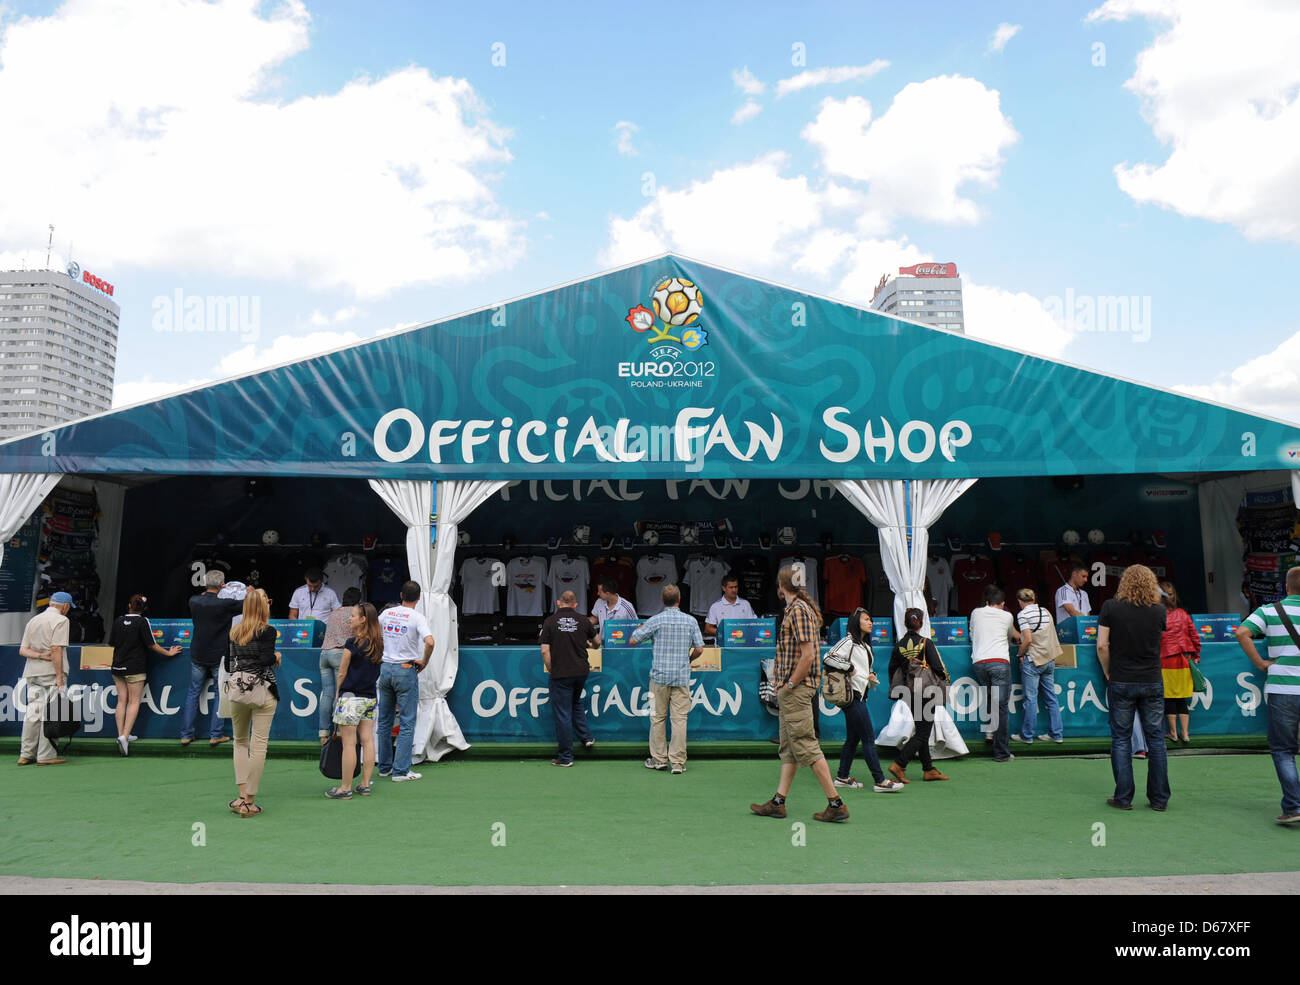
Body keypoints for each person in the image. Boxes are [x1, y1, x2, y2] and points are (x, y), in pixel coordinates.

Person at [750, 566, 850, 821]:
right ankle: (778, 802)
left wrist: (790, 684)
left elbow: (808, 655)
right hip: (792, 690)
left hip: (797, 690)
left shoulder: (798, 611)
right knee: (791, 749)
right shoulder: (798, 610)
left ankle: (836, 804)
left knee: (806, 746)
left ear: (781, 587)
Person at [1097, 564, 1169, 812]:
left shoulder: (1110, 607)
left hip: (1121, 678)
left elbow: (1102, 646)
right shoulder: (1159, 611)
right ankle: (1159, 799)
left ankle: (1123, 797)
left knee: (1121, 739)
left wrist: (1108, 671)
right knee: (1156, 740)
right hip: (1151, 679)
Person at [1234, 565, 1300, 825]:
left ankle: (1294, 806)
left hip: (1282, 688)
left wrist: (1261, 663)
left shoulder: (1271, 611)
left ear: (1286, 587)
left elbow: (1242, 632)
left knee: (1283, 750)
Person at [630, 583, 702, 774]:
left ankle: (658, 759)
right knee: (679, 720)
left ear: (662, 600)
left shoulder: (656, 620)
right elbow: (700, 649)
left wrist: (642, 626)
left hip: (659, 678)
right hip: (681, 677)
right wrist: (687, 659)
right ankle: (677, 763)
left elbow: (632, 640)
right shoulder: (690, 621)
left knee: (657, 719)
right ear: (679, 600)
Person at [830, 608, 903, 793]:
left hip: (860, 694)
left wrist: (871, 676)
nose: (870, 622)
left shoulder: (865, 646)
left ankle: (842, 777)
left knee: (853, 739)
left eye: (871, 619)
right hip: (851, 695)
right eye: (866, 619)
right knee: (868, 738)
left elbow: (865, 671)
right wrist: (849, 667)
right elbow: (828, 657)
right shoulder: (848, 641)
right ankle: (880, 781)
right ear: (856, 622)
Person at [226, 589, 280, 818]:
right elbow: (266, 658)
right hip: (261, 689)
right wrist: (276, 657)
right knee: (258, 744)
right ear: (264, 606)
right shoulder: (267, 631)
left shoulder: (235, 631)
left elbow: (230, 665)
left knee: (240, 742)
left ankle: (240, 796)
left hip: (238, 689)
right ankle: (250, 800)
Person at [108, 594, 181, 756]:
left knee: (121, 700)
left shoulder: (118, 620)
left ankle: (121, 734)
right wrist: (168, 654)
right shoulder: (142, 621)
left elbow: (111, 642)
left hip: (117, 666)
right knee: (134, 702)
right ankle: (124, 736)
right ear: (144, 609)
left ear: (129, 605)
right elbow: (152, 644)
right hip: (134, 667)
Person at [376, 580, 434, 781]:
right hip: (406, 668)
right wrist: (424, 661)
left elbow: (374, 632)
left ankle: (384, 767)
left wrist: (382, 651)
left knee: (384, 721)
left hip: (386, 667)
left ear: (401, 595)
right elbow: (430, 641)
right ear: (418, 598)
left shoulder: (387, 613)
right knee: (407, 722)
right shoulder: (417, 617)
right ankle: (400, 770)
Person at [325, 602, 384, 799]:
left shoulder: (352, 643)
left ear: (363, 619)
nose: (350, 618)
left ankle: (345, 787)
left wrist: (338, 691)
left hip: (350, 697)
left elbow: (342, 671)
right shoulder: (378, 643)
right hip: (369, 698)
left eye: (353, 615)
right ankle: (365, 784)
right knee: (367, 740)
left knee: (349, 743)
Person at [887, 608, 952, 784]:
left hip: (908, 691)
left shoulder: (899, 645)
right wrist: (945, 680)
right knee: (923, 732)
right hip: (926, 691)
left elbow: (892, 669)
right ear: (921, 623)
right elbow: (938, 667)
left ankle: (928, 769)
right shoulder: (926, 643)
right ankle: (899, 764)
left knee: (921, 729)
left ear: (904, 623)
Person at [541, 589, 600, 766]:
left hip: (561, 673)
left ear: (559, 602)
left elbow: (545, 650)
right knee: (574, 703)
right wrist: (588, 643)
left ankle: (566, 757)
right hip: (581, 671)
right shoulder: (584, 620)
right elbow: (597, 642)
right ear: (576, 604)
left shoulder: (550, 621)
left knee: (562, 714)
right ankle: (586, 737)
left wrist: (552, 669)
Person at [184, 570, 243, 747]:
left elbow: (202, 599)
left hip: (198, 653)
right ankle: (215, 734)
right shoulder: (225, 604)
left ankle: (186, 734)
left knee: (193, 693)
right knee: (220, 693)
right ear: (222, 585)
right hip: (219, 654)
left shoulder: (193, 601)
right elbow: (249, 603)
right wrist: (251, 591)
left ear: (204, 584)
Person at [16, 592, 73, 766]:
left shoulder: (33, 620)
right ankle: (46, 755)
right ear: (65, 606)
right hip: (51, 673)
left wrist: (40, 655)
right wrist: (59, 678)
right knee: (51, 714)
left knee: (33, 713)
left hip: (33, 672)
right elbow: (56, 649)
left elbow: (23, 650)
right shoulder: (62, 621)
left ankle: (26, 754)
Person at [970, 585, 1020, 763]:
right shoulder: (1007, 615)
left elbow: (972, 634)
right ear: (1003, 603)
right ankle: (1002, 753)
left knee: (992, 700)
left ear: (986, 602)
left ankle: (990, 733)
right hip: (999, 663)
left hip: (979, 663)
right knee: (1001, 708)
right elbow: (1010, 637)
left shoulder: (976, 613)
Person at [1013, 588, 1063, 744]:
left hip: (1033, 660)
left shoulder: (1022, 615)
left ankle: (1026, 735)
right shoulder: (1046, 611)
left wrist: (1020, 654)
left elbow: (1027, 639)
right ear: (1034, 599)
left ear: (1020, 601)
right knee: (1051, 698)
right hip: (1049, 659)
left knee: (1031, 699)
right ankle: (1056, 734)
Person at [1158, 580, 1201, 745]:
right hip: (1184, 659)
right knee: (1182, 699)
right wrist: (1196, 654)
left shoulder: (1157, 614)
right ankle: (1186, 733)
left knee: (1168, 698)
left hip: (1165, 660)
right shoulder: (1183, 614)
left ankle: (1173, 733)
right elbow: (1195, 636)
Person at [318, 587, 362, 745]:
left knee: (327, 695)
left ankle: (323, 734)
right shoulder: (354, 613)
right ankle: (339, 732)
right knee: (340, 694)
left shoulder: (334, 612)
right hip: (339, 654)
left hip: (324, 654)